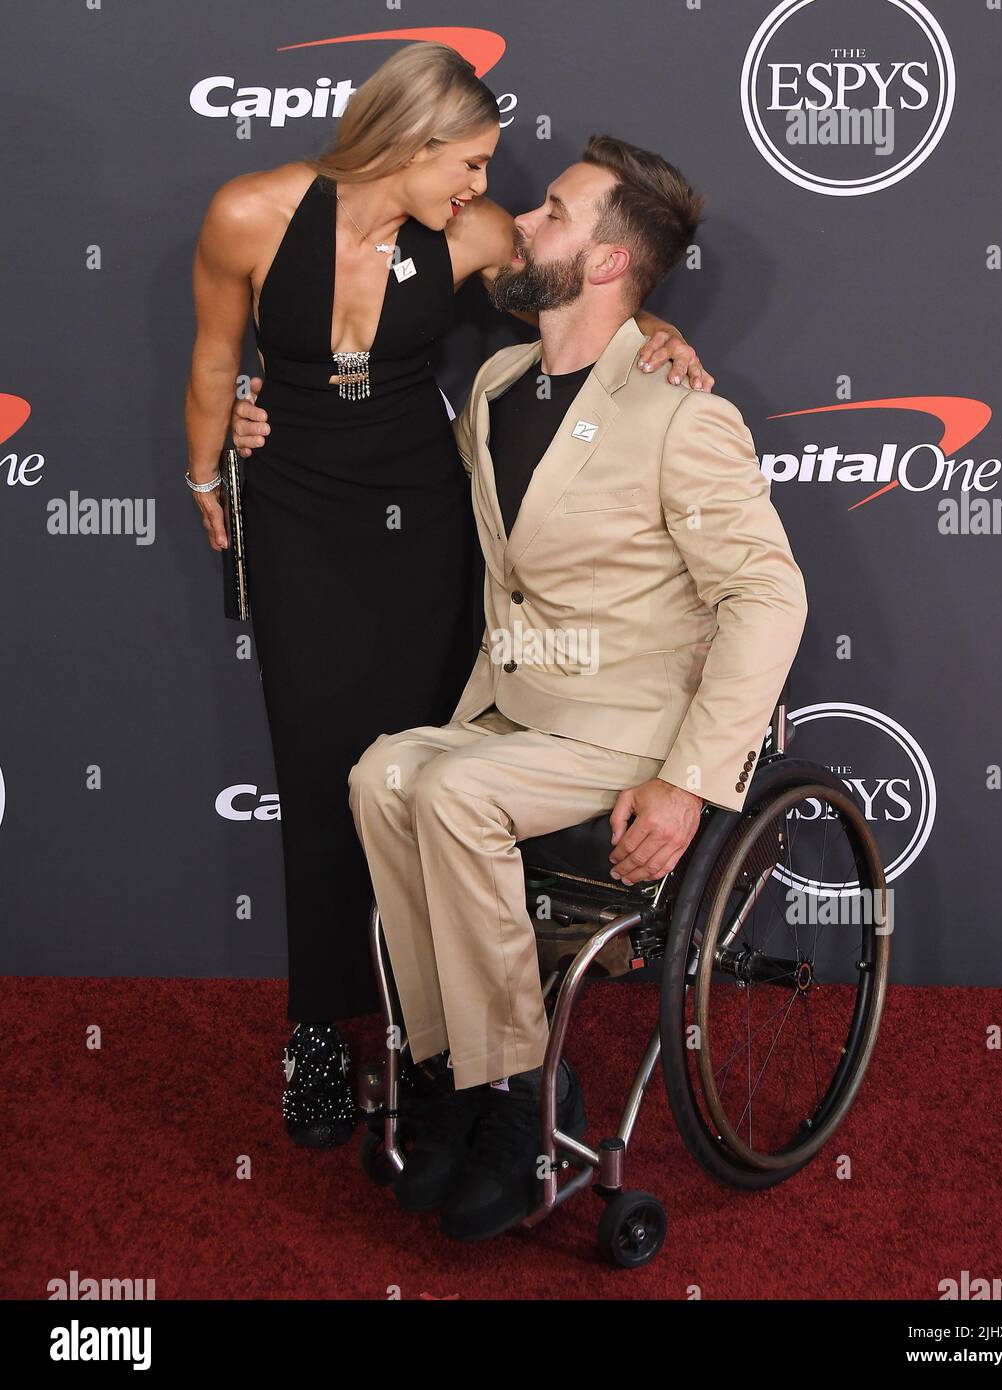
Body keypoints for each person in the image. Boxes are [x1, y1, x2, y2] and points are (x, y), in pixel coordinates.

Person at [261, 132, 808, 1242]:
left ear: (606, 261)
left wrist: (690, 782)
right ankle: (442, 1073)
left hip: (635, 731)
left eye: (552, 212)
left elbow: (769, 597)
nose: (517, 221)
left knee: (453, 795)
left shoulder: (682, 417)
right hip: (520, 712)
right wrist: (245, 419)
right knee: (380, 774)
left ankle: (518, 1105)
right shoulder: (500, 383)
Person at [188, 42, 712, 1150]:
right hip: (295, 520)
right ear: (409, 142)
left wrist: (663, 340)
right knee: (317, 773)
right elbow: (210, 358)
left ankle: (444, 1052)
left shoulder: (468, 236)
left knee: (422, 769)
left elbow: (584, 296)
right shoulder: (247, 213)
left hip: (422, 529)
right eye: (469, 161)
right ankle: (317, 1034)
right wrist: (205, 475)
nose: (486, 189)